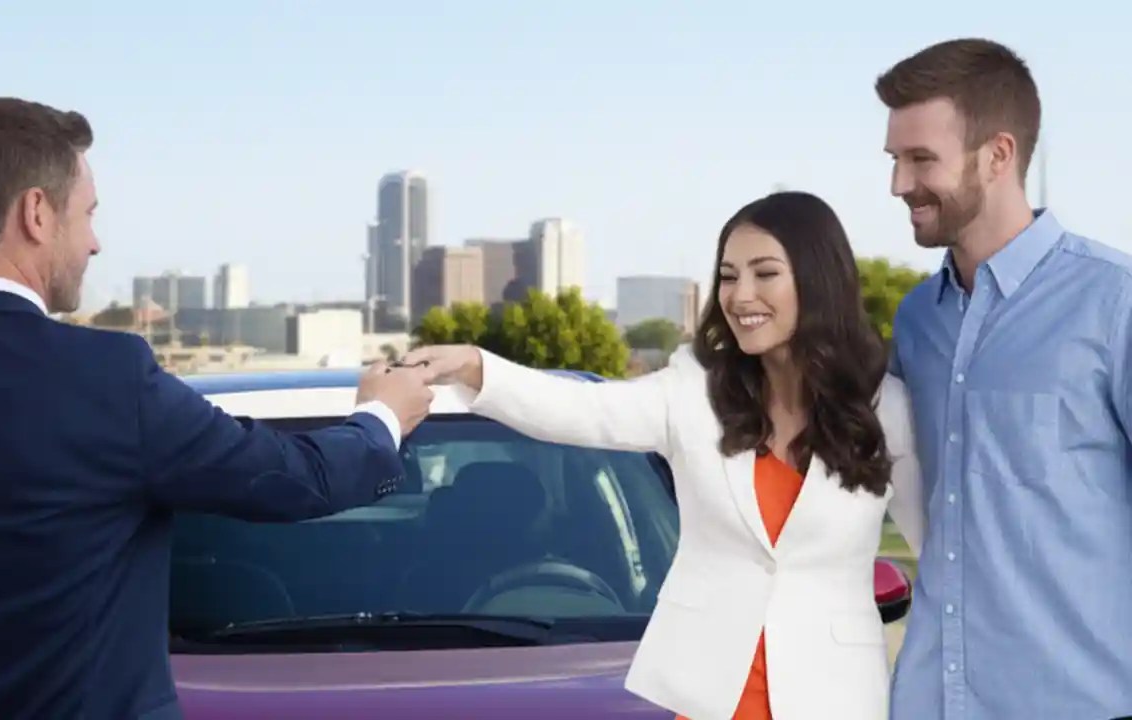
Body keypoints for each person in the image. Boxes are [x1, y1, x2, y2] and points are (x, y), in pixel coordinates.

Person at [0, 97, 433, 720]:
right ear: (37, 213)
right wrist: (381, 418)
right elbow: (291, 477)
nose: (95, 243)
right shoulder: (107, 377)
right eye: (88, 213)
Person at [404, 190, 926, 720]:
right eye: (728, 276)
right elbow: (579, 408)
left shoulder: (886, 408)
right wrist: (475, 365)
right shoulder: (694, 390)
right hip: (711, 701)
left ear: (818, 281)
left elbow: (943, 555)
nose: (740, 295)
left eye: (765, 273)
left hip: (834, 700)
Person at [877, 39, 1132, 719]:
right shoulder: (916, 322)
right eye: (894, 160)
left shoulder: (1114, 303)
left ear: (998, 155)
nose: (898, 184)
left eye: (920, 159)